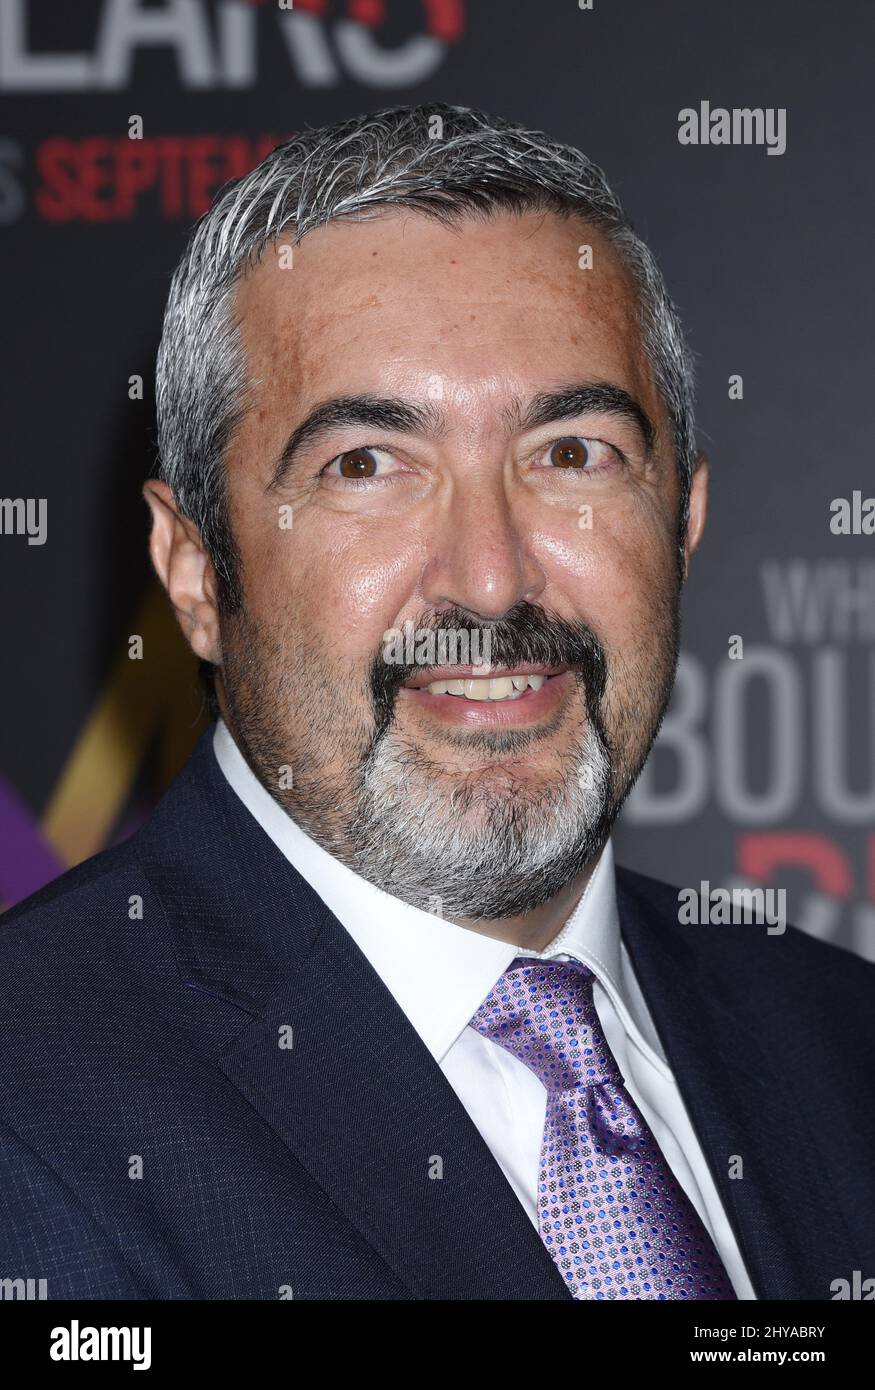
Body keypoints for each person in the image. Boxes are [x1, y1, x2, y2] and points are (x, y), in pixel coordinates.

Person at [1, 103, 872, 1301]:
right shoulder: (28, 1105)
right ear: (195, 567)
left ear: (683, 517)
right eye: (366, 465)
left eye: (571, 452)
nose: (490, 574)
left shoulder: (839, 1041)